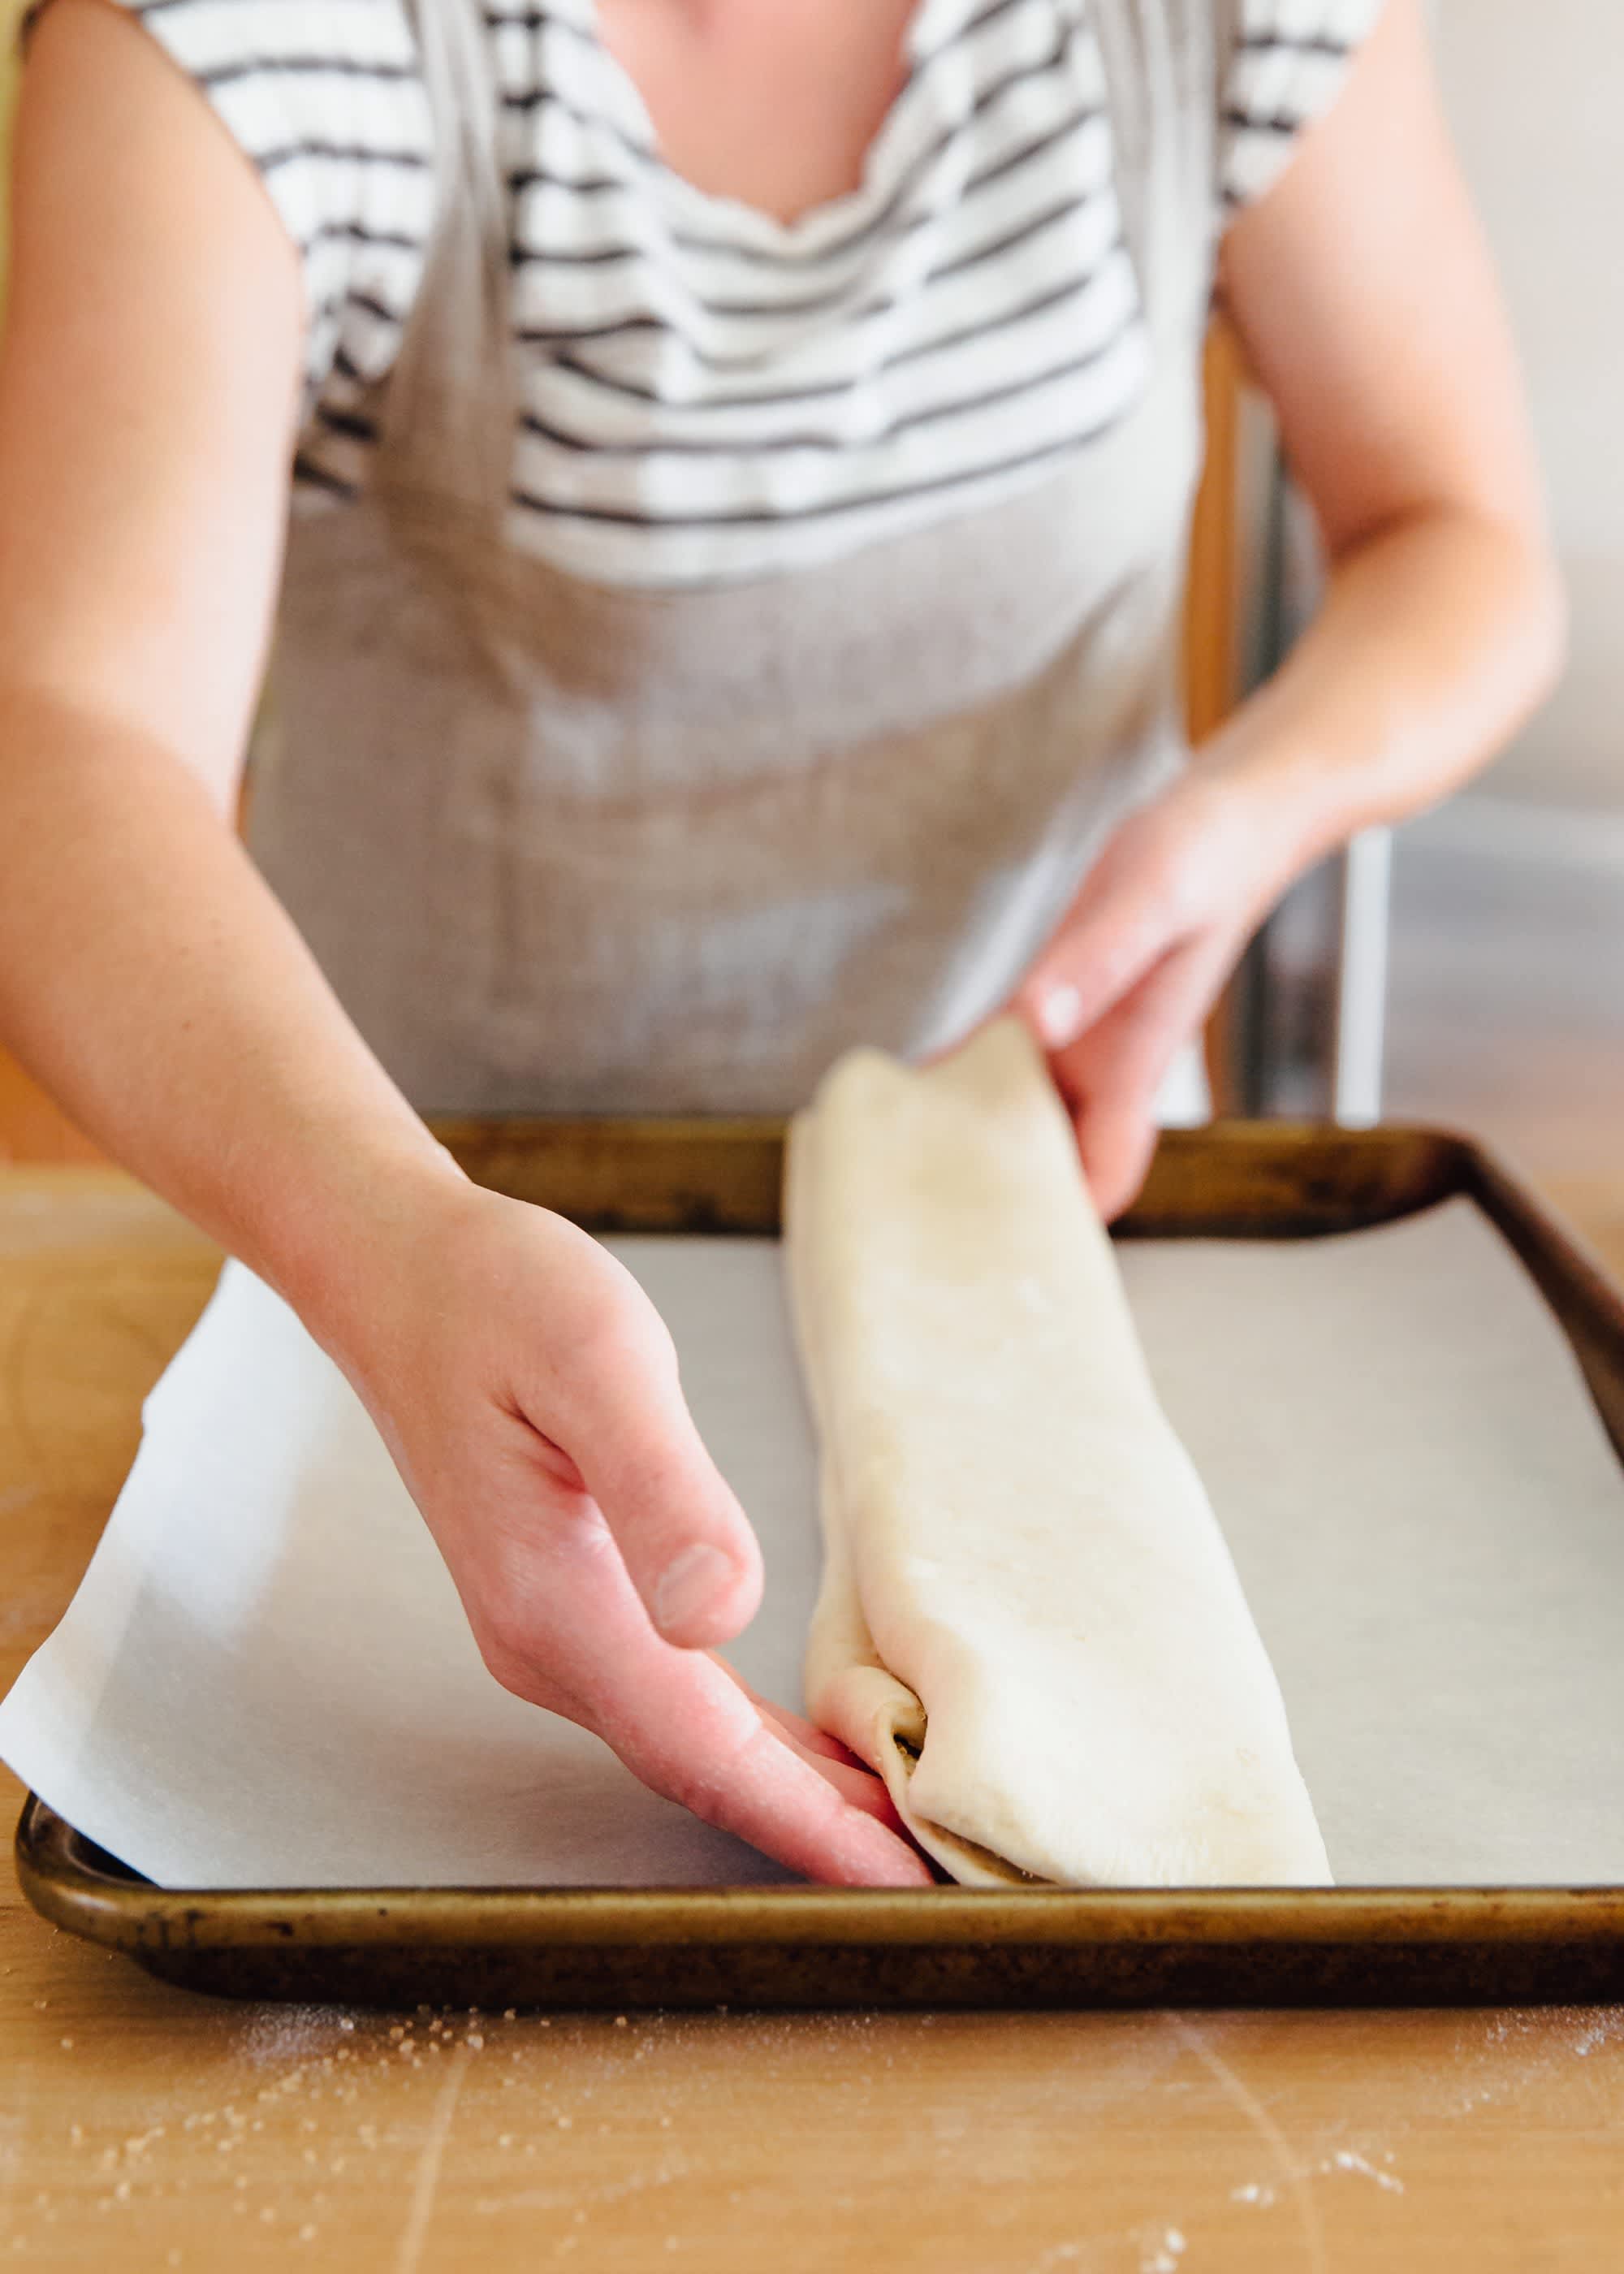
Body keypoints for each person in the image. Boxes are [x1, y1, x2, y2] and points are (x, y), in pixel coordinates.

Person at [0, 0, 1562, 1885]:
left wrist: (1233, 822)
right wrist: (391, 1245)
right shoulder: (259, 35)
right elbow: (62, 746)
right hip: (413, 1259)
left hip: (1057, 1205)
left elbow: (1456, 535)